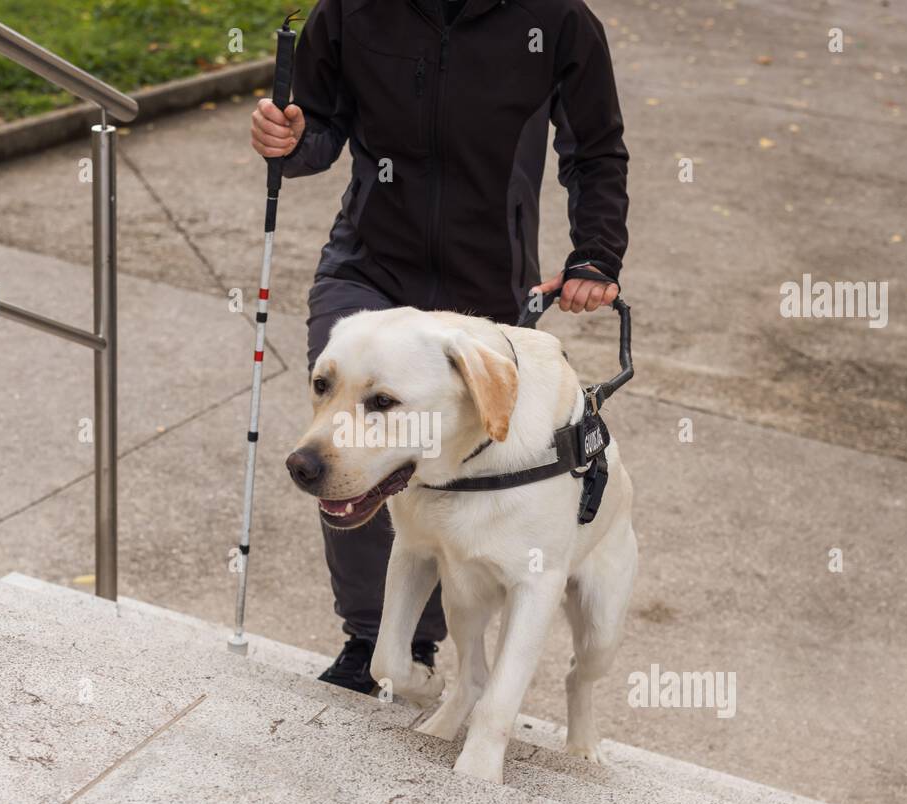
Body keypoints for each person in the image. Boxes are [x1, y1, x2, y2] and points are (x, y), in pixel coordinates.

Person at [249, 0, 629, 693]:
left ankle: (455, 657)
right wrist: (291, 138)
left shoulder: (560, 21)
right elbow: (320, 125)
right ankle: (378, 640)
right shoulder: (350, 10)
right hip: (367, 269)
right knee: (352, 439)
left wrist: (596, 256)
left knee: (458, 471)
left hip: (486, 294)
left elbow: (594, 149)